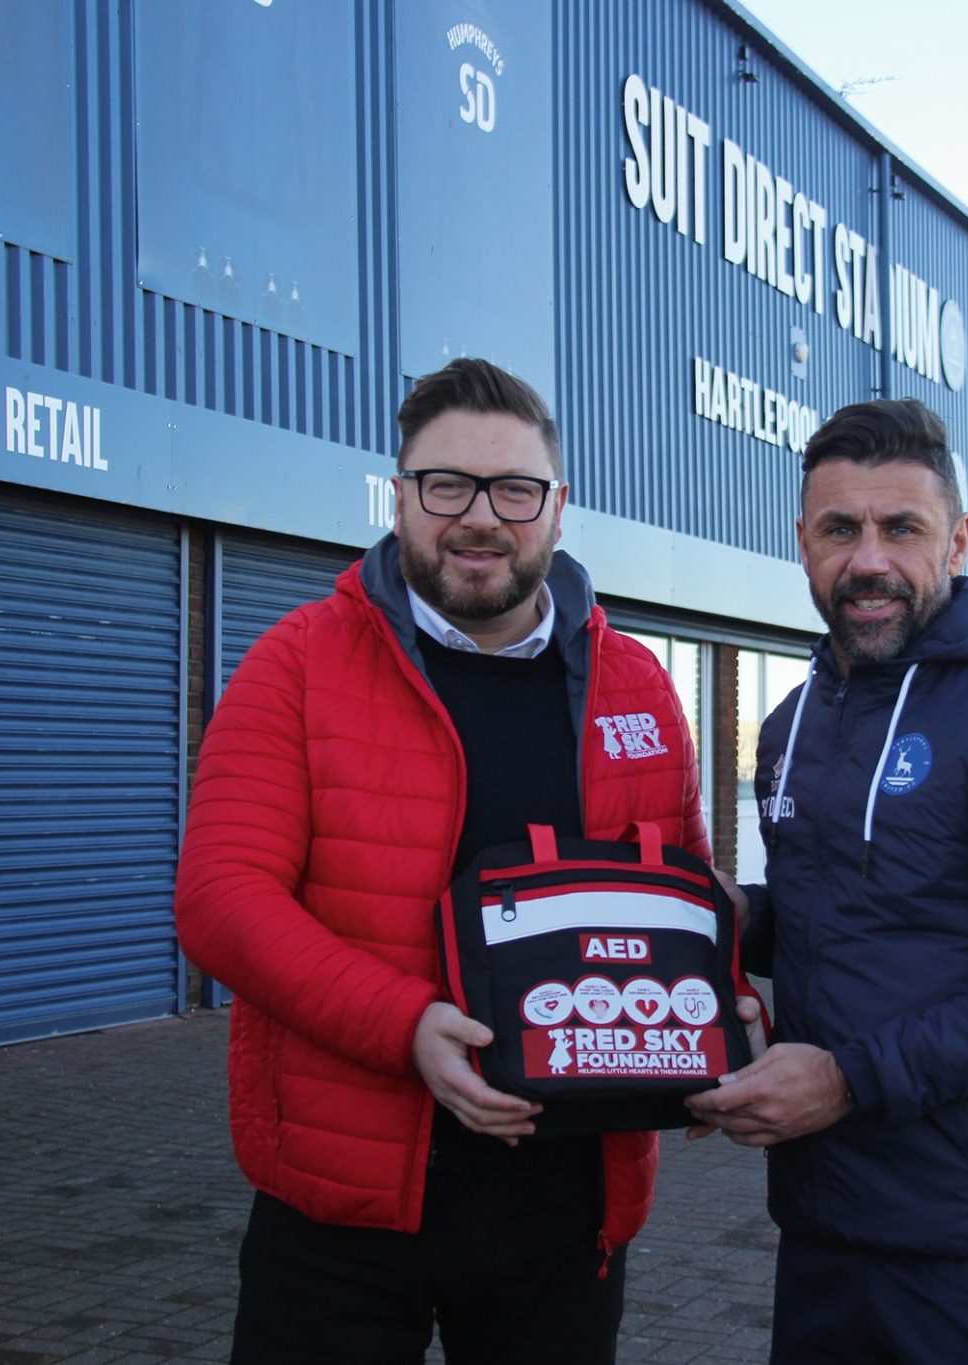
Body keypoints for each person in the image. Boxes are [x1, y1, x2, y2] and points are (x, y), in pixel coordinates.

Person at [175, 357, 716, 1364]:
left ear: (558, 509)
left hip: (567, 1207)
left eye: (514, 489)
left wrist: (717, 1005)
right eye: (445, 485)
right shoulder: (295, 664)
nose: (479, 516)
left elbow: (680, 890)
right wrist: (403, 1026)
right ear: (398, 497)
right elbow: (219, 898)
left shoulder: (635, 681)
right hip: (342, 1207)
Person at [686, 397, 968, 1364]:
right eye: (839, 528)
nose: (869, 560)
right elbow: (854, 919)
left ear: (958, 540)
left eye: (903, 528)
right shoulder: (790, 726)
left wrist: (847, 1080)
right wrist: (730, 920)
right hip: (826, 1232)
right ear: (802, 539)